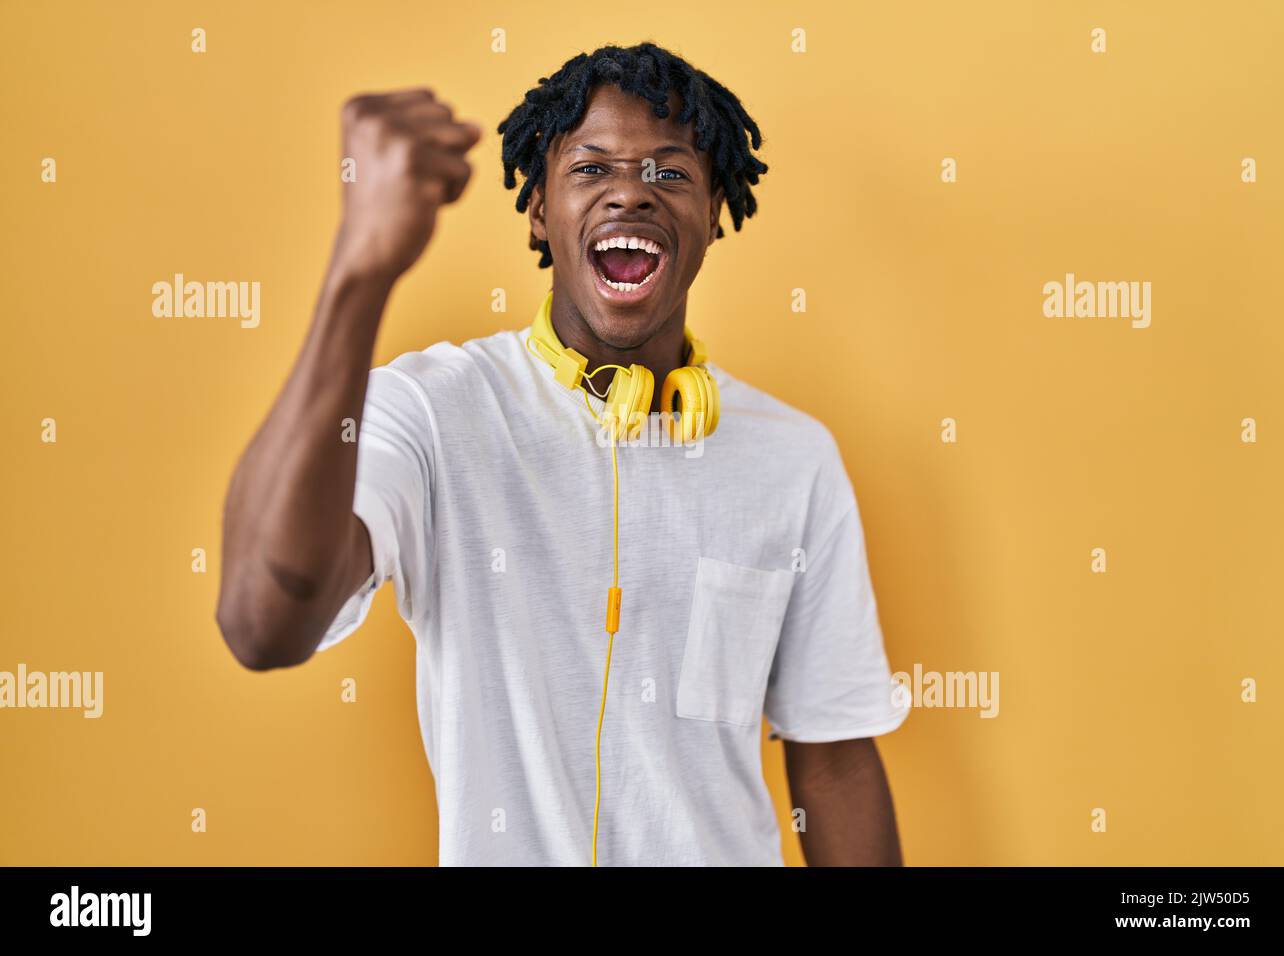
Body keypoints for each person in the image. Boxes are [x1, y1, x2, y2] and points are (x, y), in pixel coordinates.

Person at [216, 41, 909, 866]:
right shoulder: (434, 413)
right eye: (590, 169)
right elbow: (264, 622)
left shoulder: (794, 459)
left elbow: (832, 758)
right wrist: (358, 273)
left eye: (670, 173)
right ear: (540, 210)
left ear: (715, 212)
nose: (630, 193)